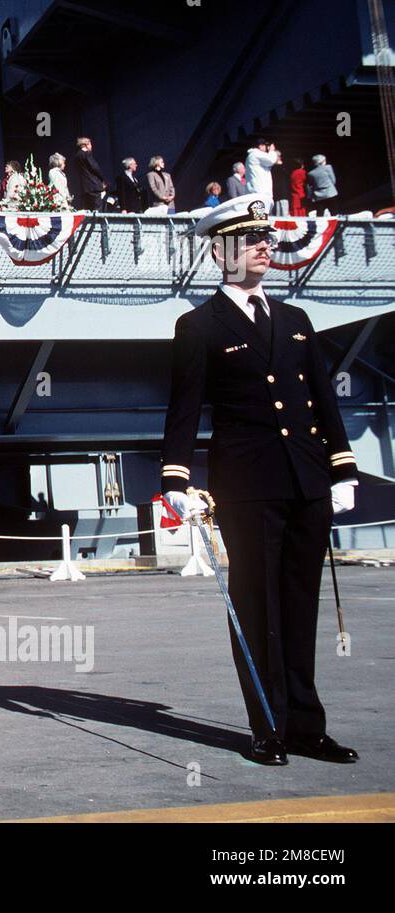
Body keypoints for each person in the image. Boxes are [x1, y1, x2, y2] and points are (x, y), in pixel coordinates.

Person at [160, 194, 359, 768]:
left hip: (307, 480)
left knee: (300, 603)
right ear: (221, 252)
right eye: (251, 240)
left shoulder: (295, 321)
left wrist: (342, 468)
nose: (264, 247)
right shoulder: (198, 325)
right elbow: (184, 407)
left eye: (266, 239)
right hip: (247, 486)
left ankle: (305, 724)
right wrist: (176, 477)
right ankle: (268, 727)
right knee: (257, 604)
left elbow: (324, 402)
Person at [71, 137, 107, 211]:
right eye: (90, 144)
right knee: (97, 210)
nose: (91, 146)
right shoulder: (86, 154)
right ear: (86, 144)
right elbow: (95, 168)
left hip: (85, 188)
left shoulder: (77, 156)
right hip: (94, 186)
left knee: (88, 210)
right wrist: (103, 179)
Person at [244, 137, 277, 209]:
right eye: (265, 146)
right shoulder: (256, 154)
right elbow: (271, 160)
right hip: (260, 191)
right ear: (261, 146)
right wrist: (272, 151)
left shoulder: (251, 155)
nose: (266, 148)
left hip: (256, 190)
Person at [271, 151, 290, 216]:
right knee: (281, 214)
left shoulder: (272, 167)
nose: (280, 158)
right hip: (281, 194)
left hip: (279, 194)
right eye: (278, 156)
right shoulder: (277, 167)